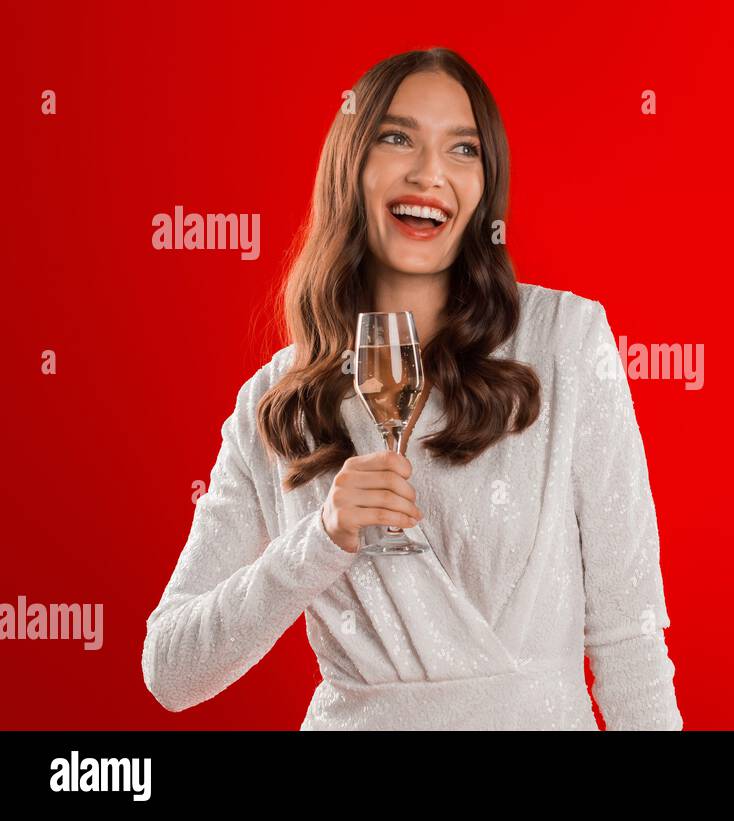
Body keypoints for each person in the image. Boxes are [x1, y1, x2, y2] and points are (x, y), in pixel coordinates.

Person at [141, 47, 683, 730]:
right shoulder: (275, 401)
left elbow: (628, 638)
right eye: (397, 138)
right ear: (351, 167)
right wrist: (323, 539)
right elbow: (171, 669)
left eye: (463, 149)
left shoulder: (566, 340)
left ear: (486, 186)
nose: (430, 174)